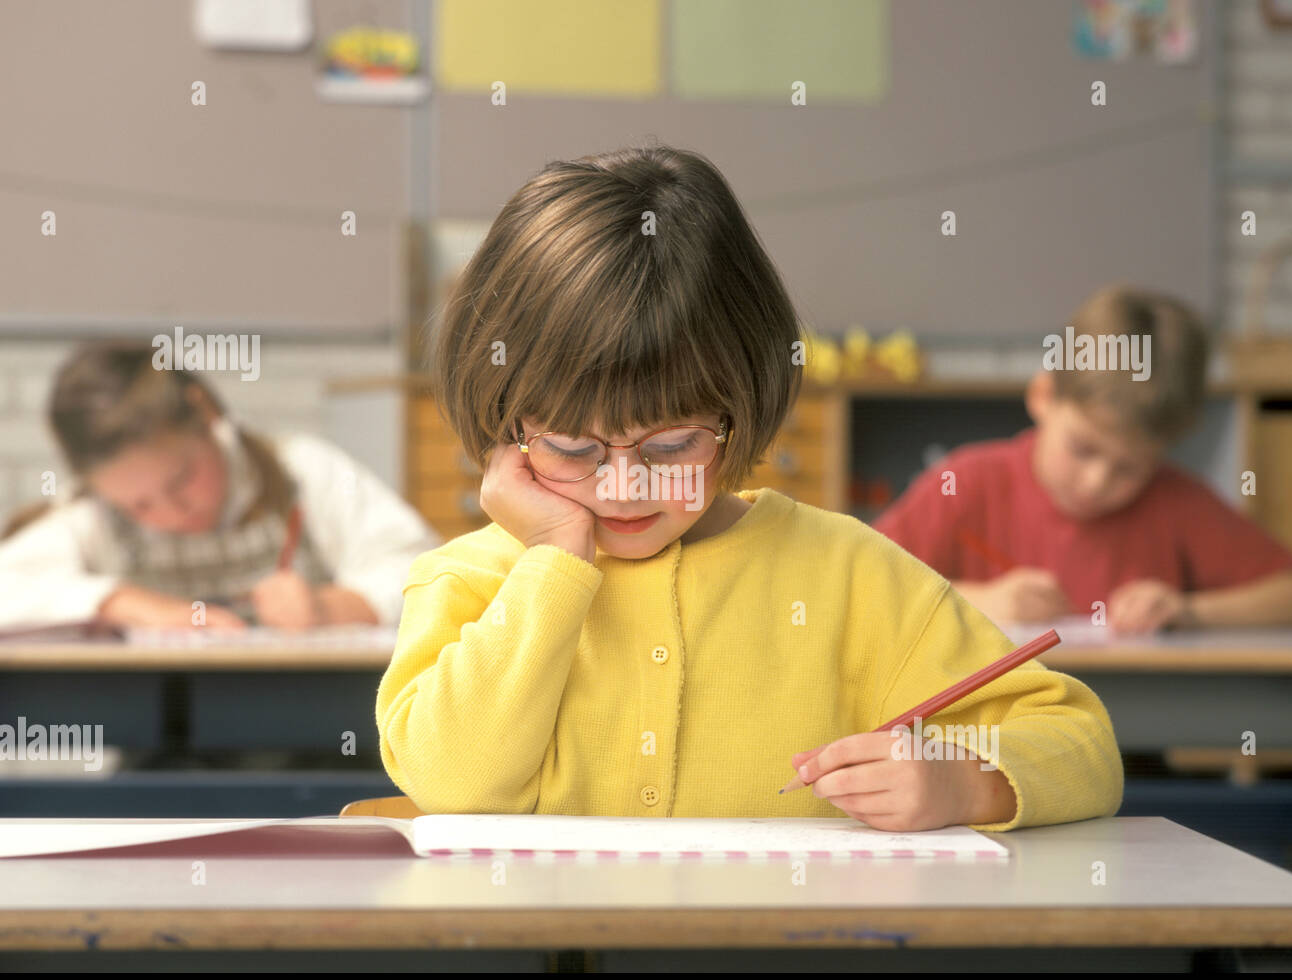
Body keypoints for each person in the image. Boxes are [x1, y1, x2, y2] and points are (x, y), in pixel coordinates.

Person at [375, 143, 1122, 831]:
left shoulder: (847, 572)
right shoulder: (470, 582)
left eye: (671, 443)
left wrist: (966, 783)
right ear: (509, 427)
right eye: (573, 447)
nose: (626, 486)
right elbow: (450, 785)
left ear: (737, 413)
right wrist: (552, 562)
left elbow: (1081, 744)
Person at [874, 286, 1292, 633]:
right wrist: (977, 601)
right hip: (978, 733)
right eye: (1083, 449)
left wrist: (1188, 611)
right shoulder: (964, 483)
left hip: (1125, 733)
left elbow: (1291, 593)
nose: (1097, 481)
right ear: (1043, 396)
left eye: (1130, 467)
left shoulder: (1174, 500)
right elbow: (859, 585)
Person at [0, 342, 439, 630]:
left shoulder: (303, 473)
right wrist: (130, 605)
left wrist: (332, 608)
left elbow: (430, 574)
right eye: (139, 506)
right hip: (170, 743)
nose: (171, 514)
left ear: (206, 412)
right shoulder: (96, 518)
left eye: (182, 481)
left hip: (323, 737)